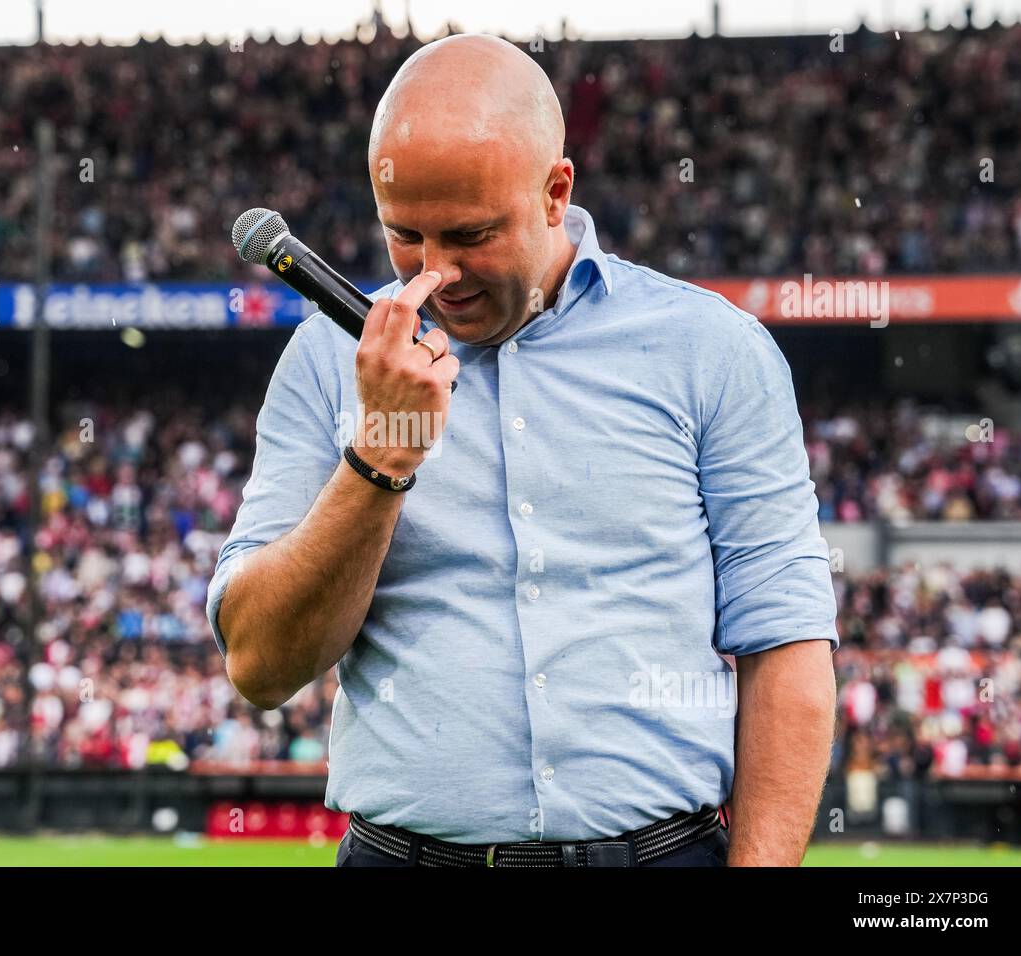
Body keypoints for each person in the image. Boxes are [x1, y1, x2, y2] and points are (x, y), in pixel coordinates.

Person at [207, 33, 838, 867]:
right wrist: (383, 453)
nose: (435, 275)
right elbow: (260, 665)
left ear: (555, 191)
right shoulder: (326, 360)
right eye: (406, 237)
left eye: (470, 235)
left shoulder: (711, 350)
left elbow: (785, 645)